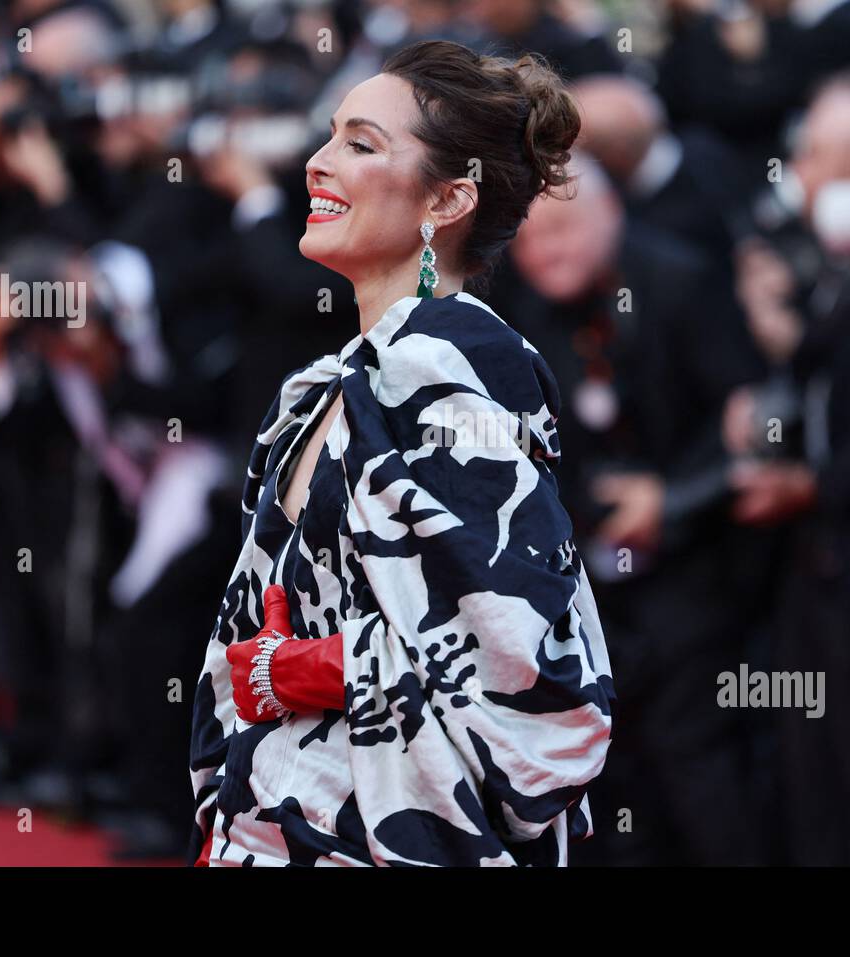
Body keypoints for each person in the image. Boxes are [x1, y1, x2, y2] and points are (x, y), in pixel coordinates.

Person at [188, 39, 615, 867]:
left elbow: (521, 665)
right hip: (278, 821)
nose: (317, 163)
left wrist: (314, 669)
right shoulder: (318, 388)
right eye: (329, 135)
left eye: (360, 144)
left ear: (449, 198)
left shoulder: (450, 366)